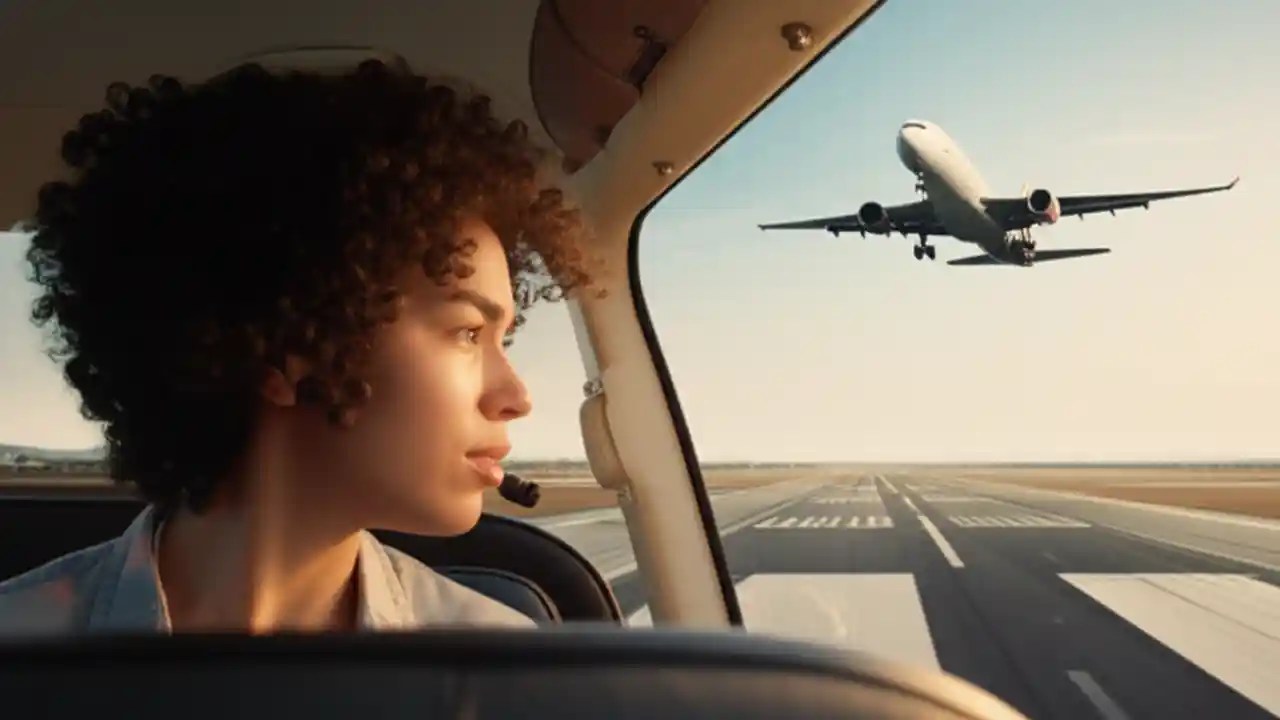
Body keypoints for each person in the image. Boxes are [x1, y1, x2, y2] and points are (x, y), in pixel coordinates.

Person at [0, 58, 599, 634]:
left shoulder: (510, 668)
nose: (515, 396)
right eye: (468, 332)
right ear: (288, 343)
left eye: (504, 338)